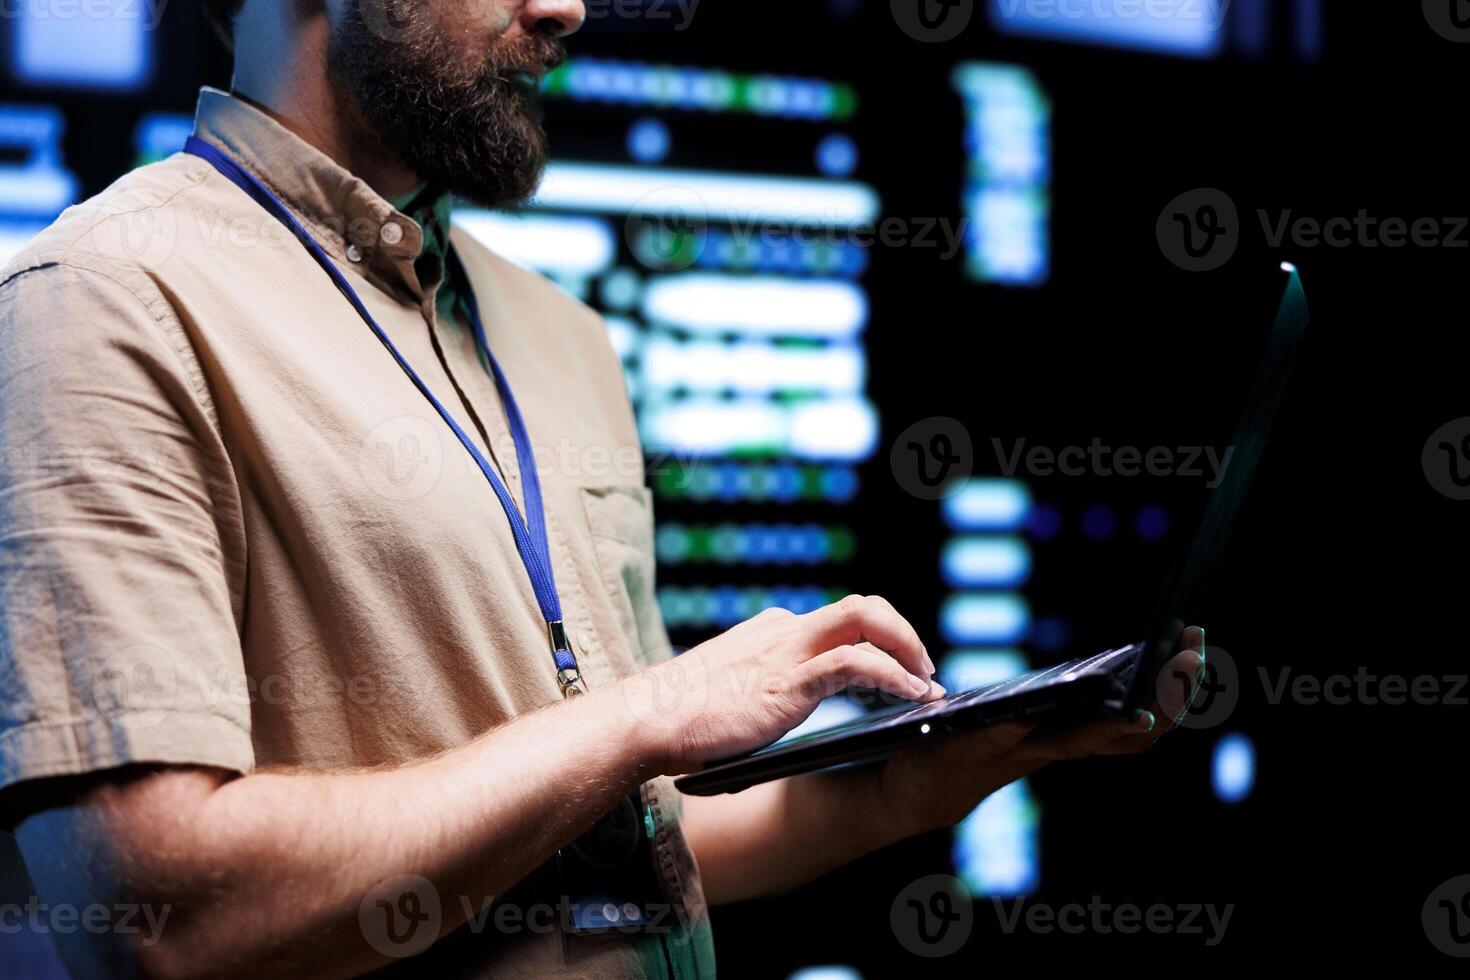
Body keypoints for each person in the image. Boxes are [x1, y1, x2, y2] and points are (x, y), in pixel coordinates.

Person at [0, 1, 1206, 975]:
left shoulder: (559, 334)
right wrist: (642, 715)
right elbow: (152, 914)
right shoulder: (102, 300)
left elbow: (630, 857)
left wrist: (905, 786)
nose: (567, 8)